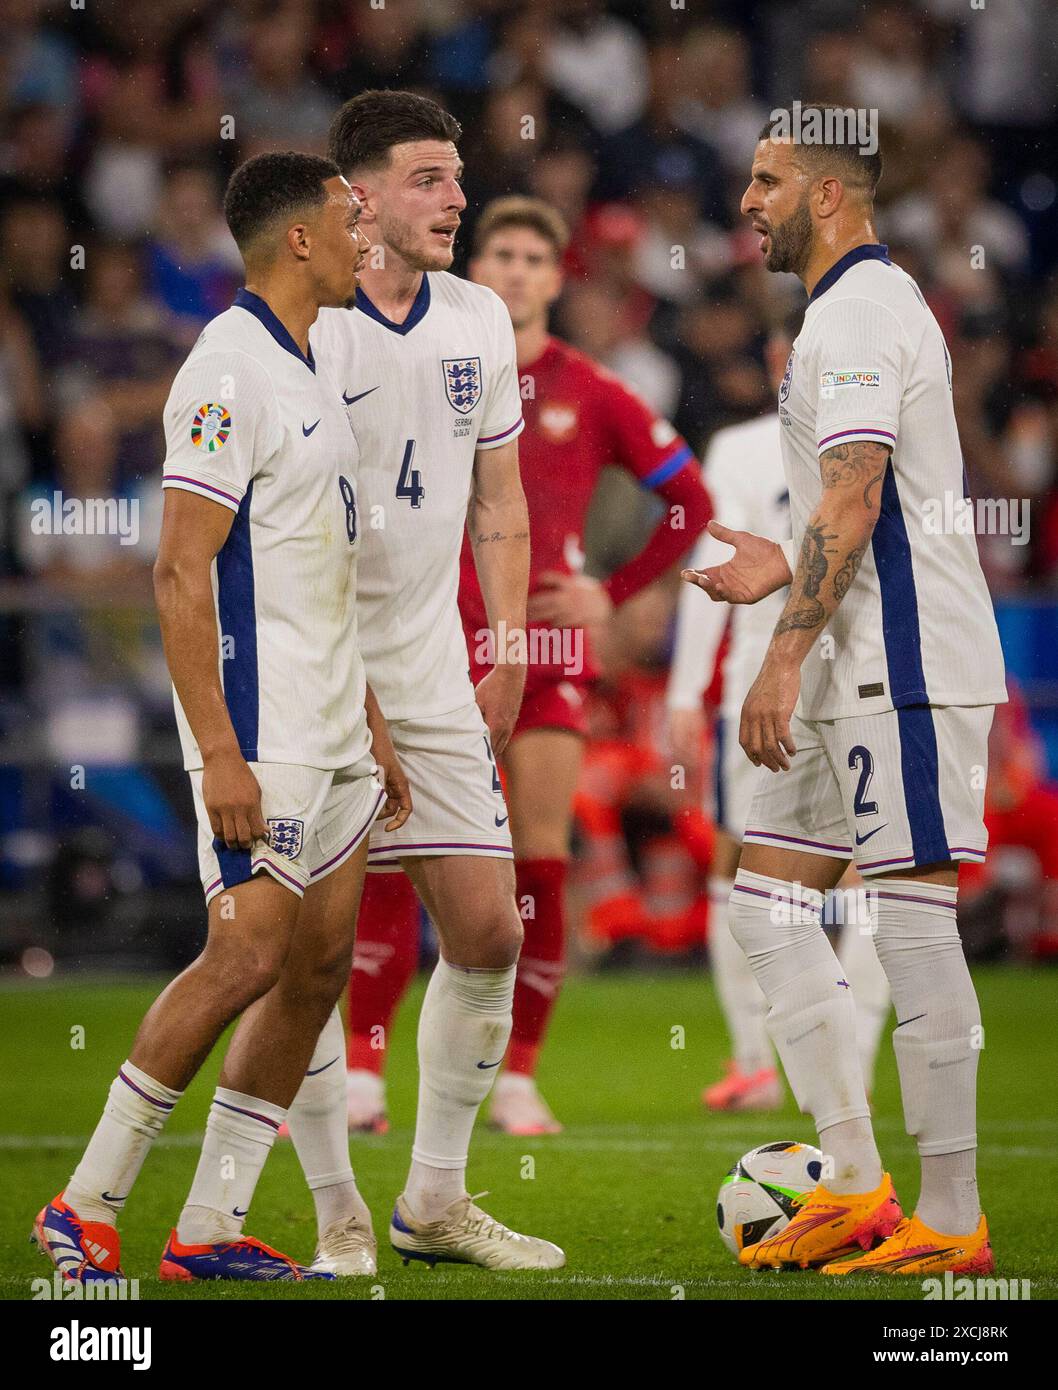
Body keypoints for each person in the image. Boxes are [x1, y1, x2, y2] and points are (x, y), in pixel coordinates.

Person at [32, 150, 410, 1284]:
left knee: (316, 967)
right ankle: (82, 1202)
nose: (367, 240)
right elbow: (178, 571)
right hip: (266, 734)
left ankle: (207, 1224)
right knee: (244, 952)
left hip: (337, 731)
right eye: (352, 221)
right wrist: (220, 751)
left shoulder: (309, 372)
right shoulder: (225, 369)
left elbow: (322, 568)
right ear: (298, 239)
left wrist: (376, 719)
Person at [682, 105, 1006, 1276]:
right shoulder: (835, 314)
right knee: (763, 903)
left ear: (827, 196)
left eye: (765, 181)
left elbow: (857, 493)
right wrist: (781, 572)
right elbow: (850, 500)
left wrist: (775, 652)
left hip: (901, 667)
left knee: (909, 926)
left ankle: (954, 1219)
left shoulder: (861, 311)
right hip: (844, 656)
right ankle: (855, 1182)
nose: (745, 204)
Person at [258, 91, 565, 1274]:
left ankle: (433, 1198)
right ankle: (337, 1213)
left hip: (436, 663)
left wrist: (503, 648)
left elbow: (499, 502)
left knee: (486, 930)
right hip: (315, 667)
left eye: (456, 177)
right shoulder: (308, 327)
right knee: (308, 958)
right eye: (429, 178)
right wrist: (362, 700)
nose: (455, 198)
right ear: (359, 197)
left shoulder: (480, 318)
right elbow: (289, 535)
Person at [342, 195, 711, 1136]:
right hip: (426, 643)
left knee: (538, 863)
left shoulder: (593, 389)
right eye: (498, 253)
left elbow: (690, 501)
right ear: (480, 269)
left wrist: (614, 593)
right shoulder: (435, 363)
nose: (513, 270)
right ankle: (364, 1071)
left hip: (543, 652)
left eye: (532, 258)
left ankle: (517, 1075)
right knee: (394, 853)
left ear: (556, 277)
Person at [668, 319, 891, 1113]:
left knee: (871, 871)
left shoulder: (881, 439)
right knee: (741, 866)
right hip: (759, 685)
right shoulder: (739, 449)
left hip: (861, 676)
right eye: (786, 352)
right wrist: (682, 691)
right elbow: (712, 575)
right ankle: (756, 1058)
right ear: (771, 361)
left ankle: (854, 1053)